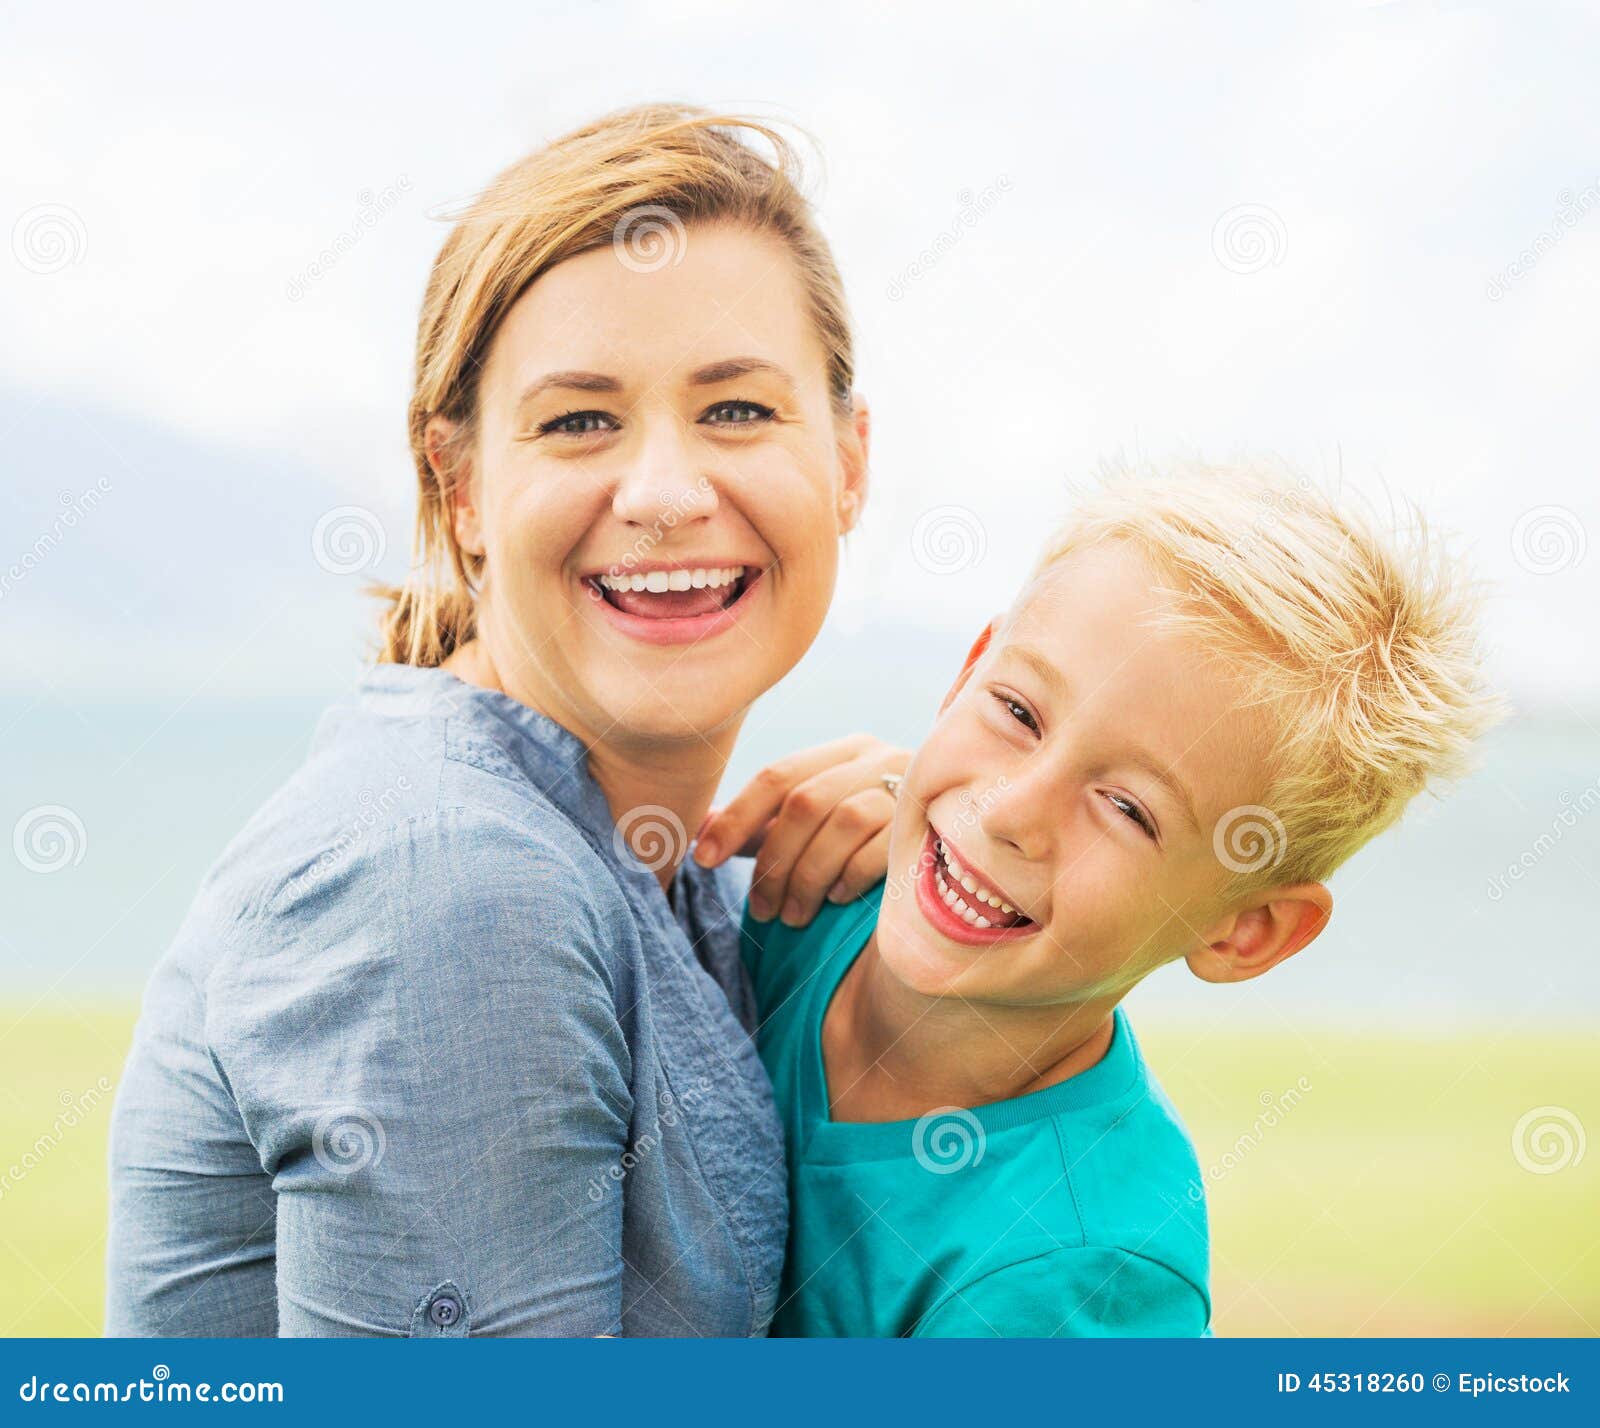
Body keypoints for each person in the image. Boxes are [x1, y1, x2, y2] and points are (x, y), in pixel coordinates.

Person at [107, 104, 904, 1338]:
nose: (664, 493)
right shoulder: (455, 879)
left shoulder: (653, 870)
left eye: (737, 410)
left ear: (850, 461)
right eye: (579, 420)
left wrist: (946, 908)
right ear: (461, 487)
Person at [745, 460, 1505, 1336]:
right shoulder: (801, 883)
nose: (1010, 810)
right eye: (1018, 713)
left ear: (1245, 932)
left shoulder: (1084, 1268)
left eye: (1129, 809)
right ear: (965, 675)